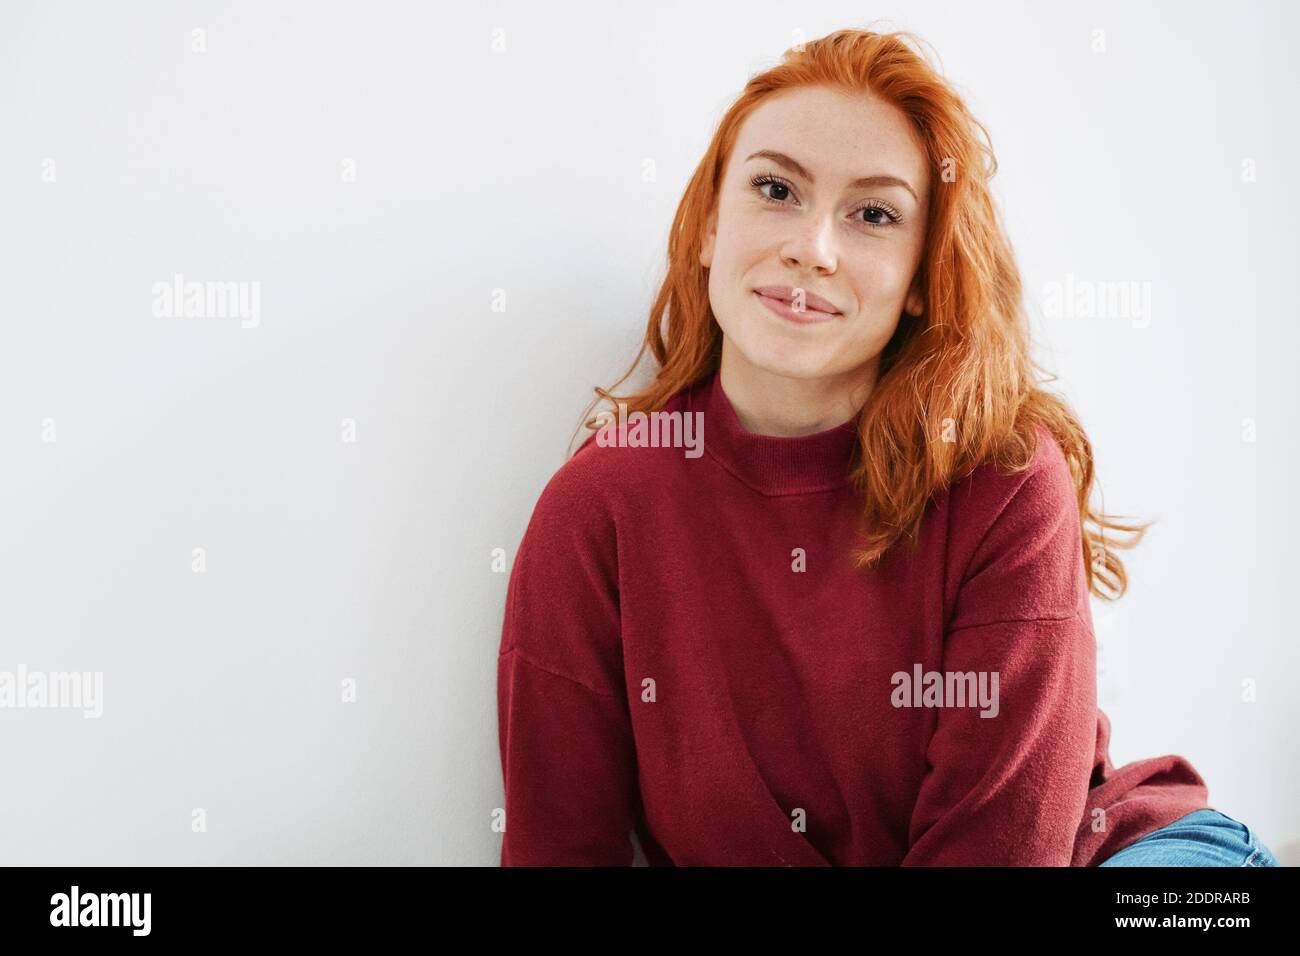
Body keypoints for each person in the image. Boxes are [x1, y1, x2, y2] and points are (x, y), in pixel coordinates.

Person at [495, 27, 1280, 867]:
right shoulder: (598, 508)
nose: (814, 248)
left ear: (917, 282)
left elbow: (999, 854)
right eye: (775, 189)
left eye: (873, 214)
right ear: (705, 230)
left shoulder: (1003, 478)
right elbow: (559, 848)